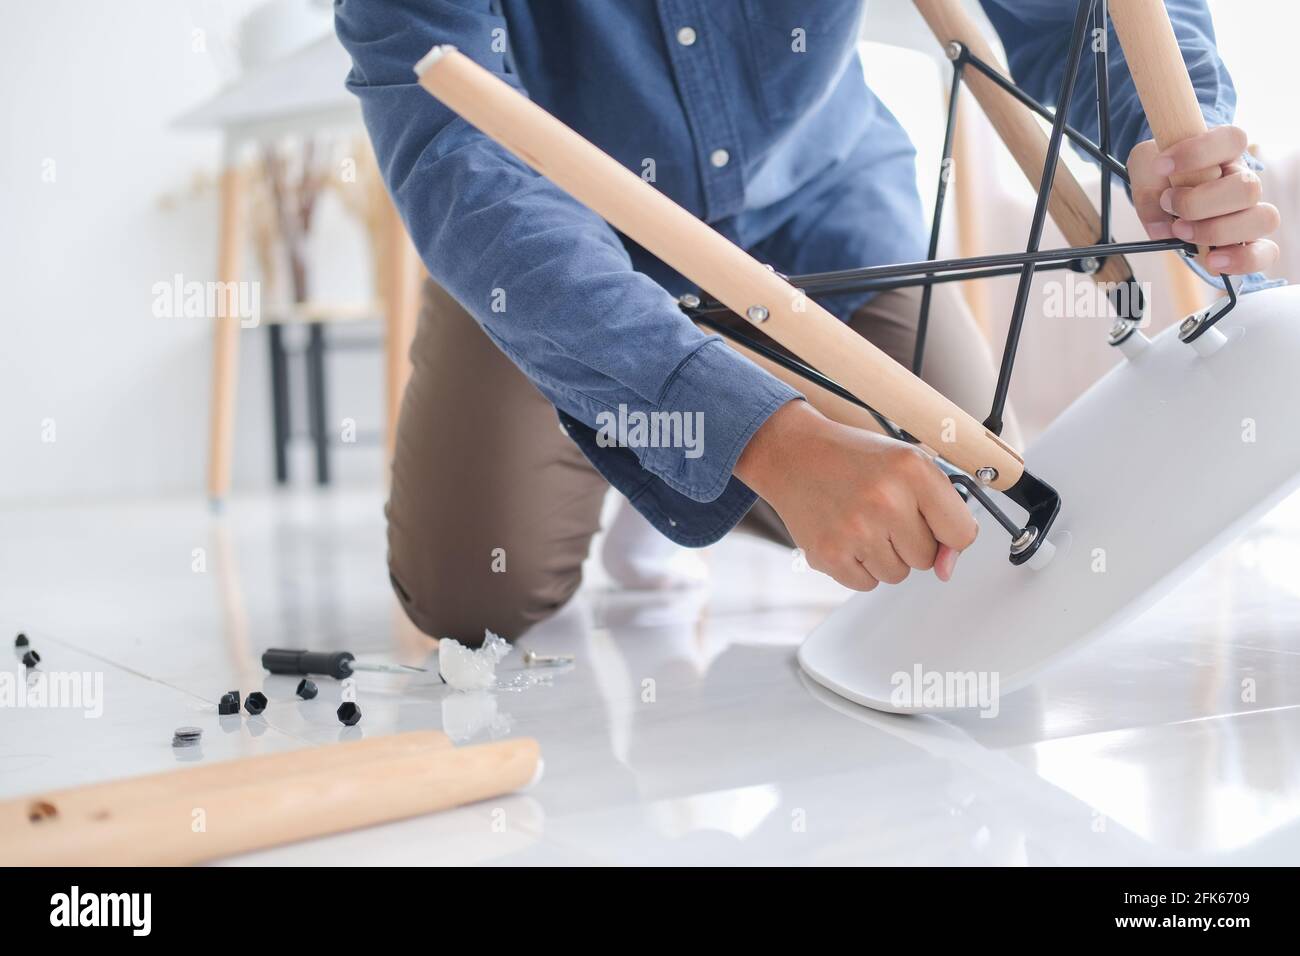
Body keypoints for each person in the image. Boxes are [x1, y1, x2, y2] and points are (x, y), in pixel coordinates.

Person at [335, 0, 1280, 643]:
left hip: (817, 216)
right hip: (558, 248)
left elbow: (1069, 12)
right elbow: (460, 157)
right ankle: (654, 425)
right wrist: (770, 443)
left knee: (971, 535)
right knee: (472, 594)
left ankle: (671, 460)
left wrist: (1163, 130)